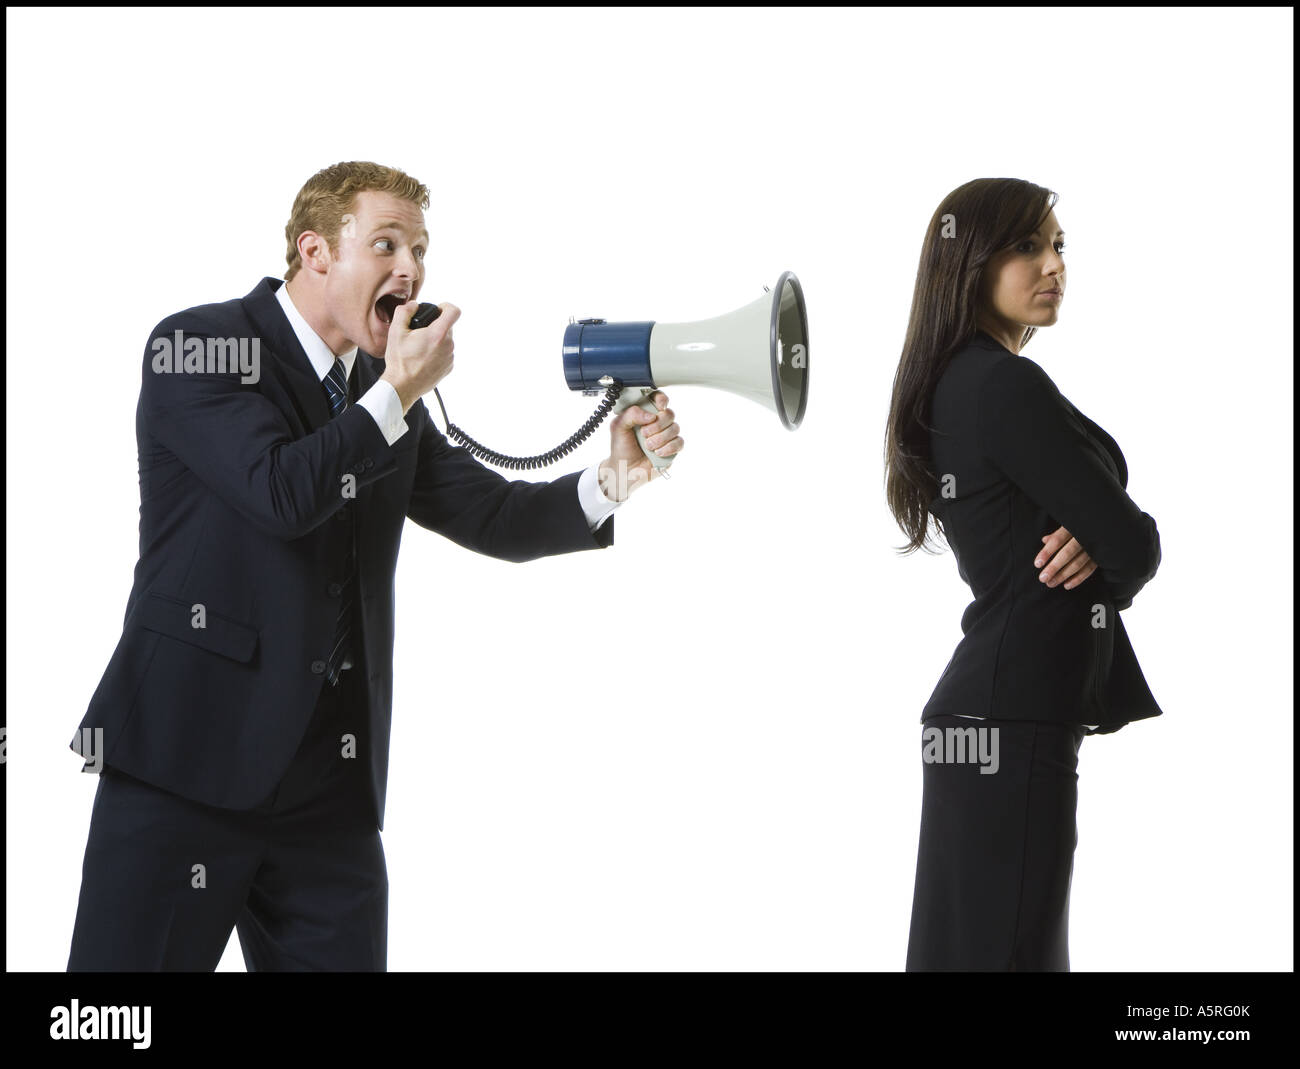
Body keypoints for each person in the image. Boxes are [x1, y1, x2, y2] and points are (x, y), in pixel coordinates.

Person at [66, 160, 684, 971]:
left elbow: (493, 513)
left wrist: (613, 481)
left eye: (421, 250)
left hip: (327, 793)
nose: (412, 270)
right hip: (185, 766)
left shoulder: (379, 396)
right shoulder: (201, 347)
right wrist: (392, 395)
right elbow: (281, 490)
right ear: (315, 251)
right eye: (387, 243)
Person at [883, 179, 1162, 971]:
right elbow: (1132, 547)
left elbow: (1095, 540)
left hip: (982, 717)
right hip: (1012, 719)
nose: (1054, 265)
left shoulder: (955, 383)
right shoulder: (1002, 384)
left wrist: (1104, 540)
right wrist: (1118, 544)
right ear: (971, 262)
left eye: (1060, 246)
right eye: (1028, 245)